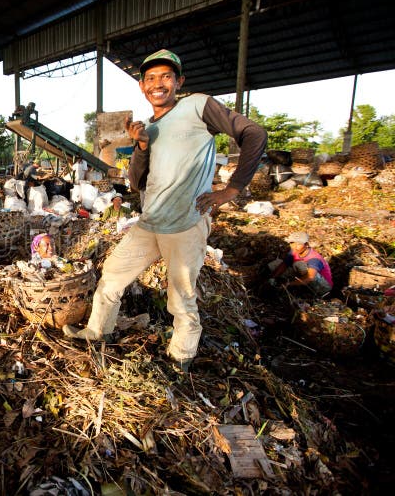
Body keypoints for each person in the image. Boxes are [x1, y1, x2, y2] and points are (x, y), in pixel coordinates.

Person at [62, 49, 267, 375]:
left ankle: (180, 359)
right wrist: (142, 145)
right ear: (143, 86)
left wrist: (232, 190)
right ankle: (98, 332)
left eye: (166, 76)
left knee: (181, 298)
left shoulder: (197, 106)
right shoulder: (148, 129)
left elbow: (254, 134)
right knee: (112, 275)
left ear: (179, 82)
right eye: (151, 78)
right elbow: (136, 181)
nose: (159, 83)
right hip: (150, 223)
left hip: (185, 224)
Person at [267, 231, 333, 298]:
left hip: (323, 287)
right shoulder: (294, 251)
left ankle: (312, 294)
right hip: (304, 278)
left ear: (306, 244)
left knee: (299, 265)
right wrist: (272, 278)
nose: (294, 247)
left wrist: (289, 284)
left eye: (299, 244)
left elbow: (310, 277)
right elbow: (284, 264)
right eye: (292, 243)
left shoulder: (314, 259)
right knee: (275, 264)